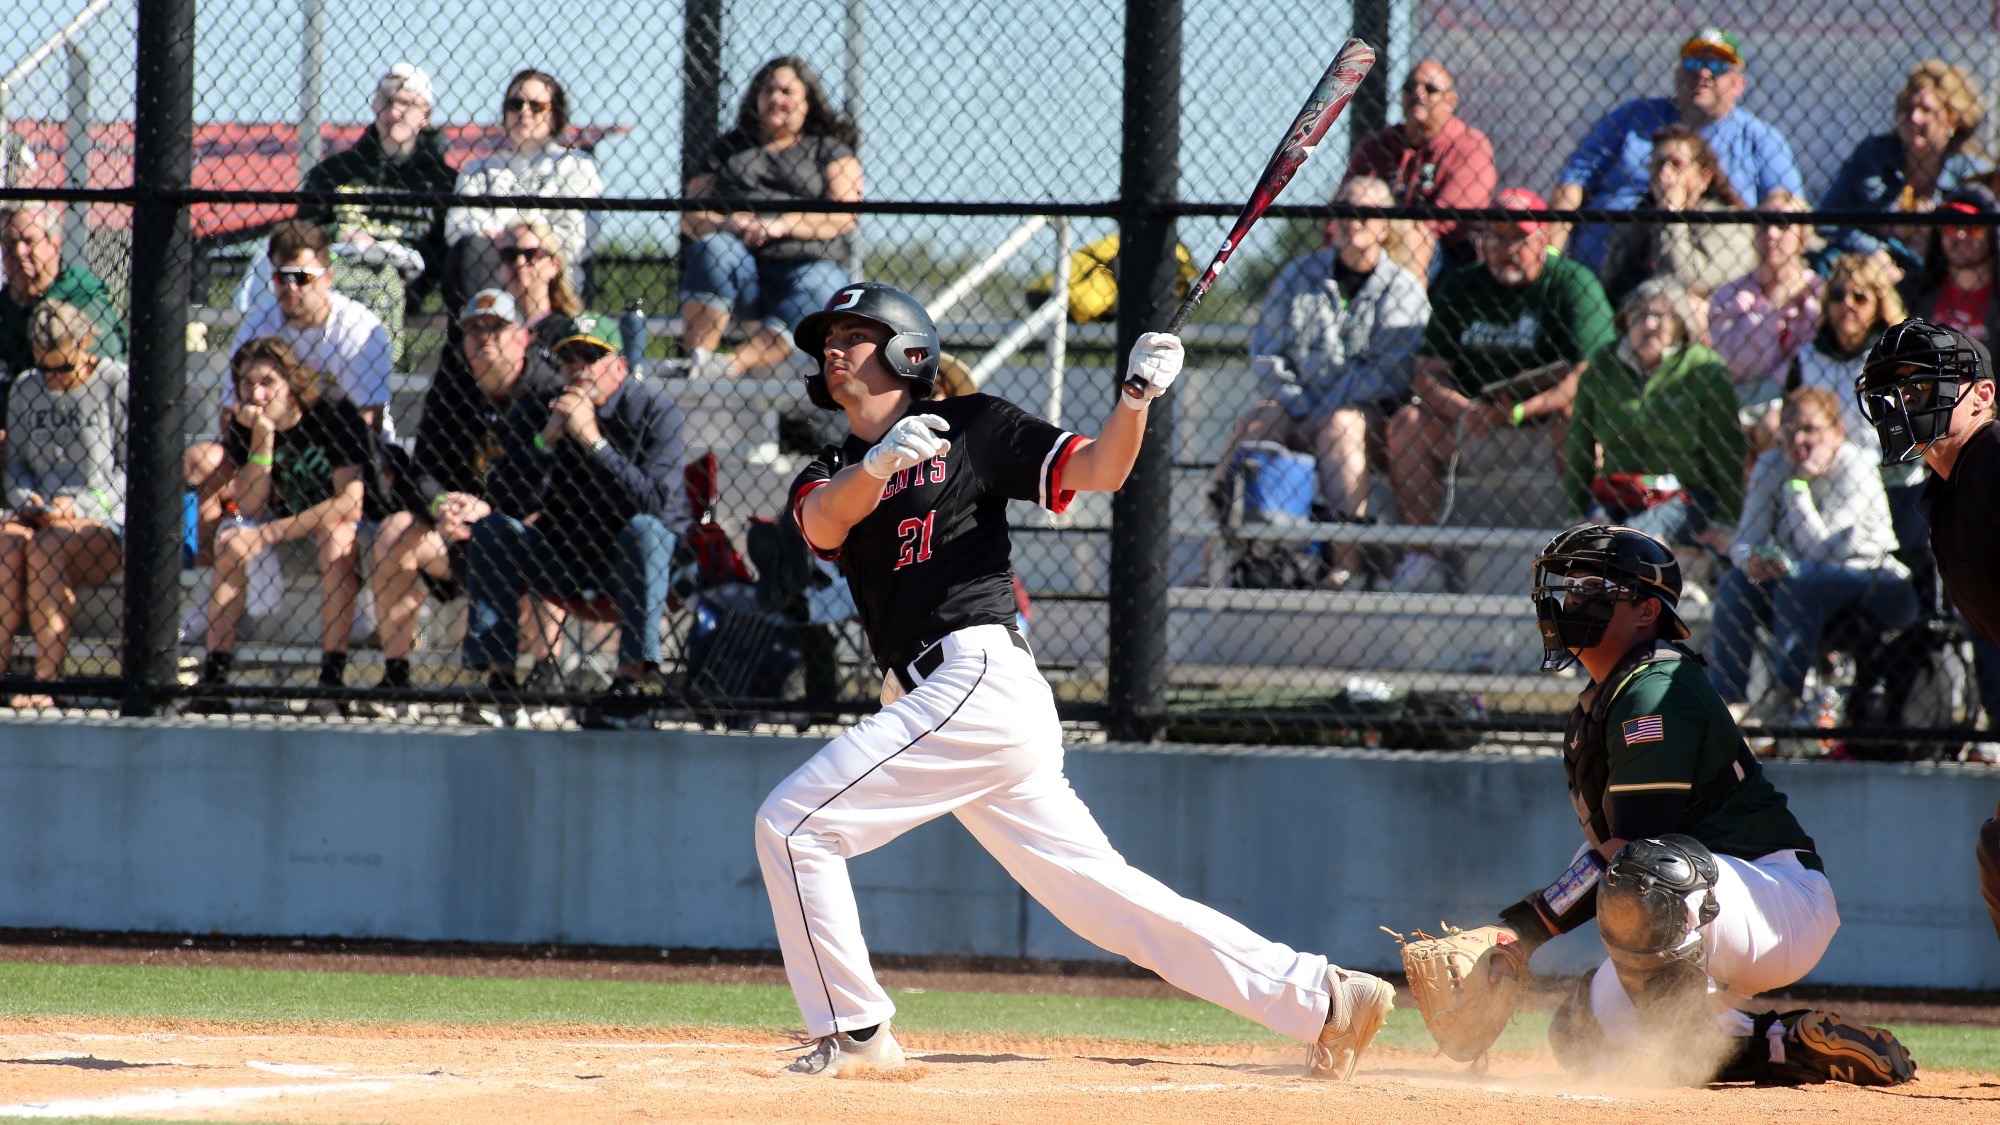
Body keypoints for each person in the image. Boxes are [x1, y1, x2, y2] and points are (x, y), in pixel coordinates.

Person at [756, 281, 1396, 1080]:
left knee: (793, 825)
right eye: (827, 337)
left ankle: (853, 1033)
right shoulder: (836, 463)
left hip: (975, 676)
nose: (833, 347)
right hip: (938, 698)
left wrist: (1135, 400)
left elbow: (1099, 468)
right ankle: (1324, 998)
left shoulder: (974, 425)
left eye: (854, 332)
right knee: (1104, 900)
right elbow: (822, 521)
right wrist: (881, 464)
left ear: (904, 347)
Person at [1480, 524, 1913, 1085]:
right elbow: (1610, 855)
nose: (1571, 599)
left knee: (1645, 873)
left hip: (1775, 896)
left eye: (1593, 588)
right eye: (1571, 586)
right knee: (1582, 1033)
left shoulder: (1657, 685)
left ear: (1644, 611)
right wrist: (1516, 936)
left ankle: (1705, 1035)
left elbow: (1634, 856)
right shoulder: (1609, 694)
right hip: (1706, 905)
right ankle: (1785, 1043)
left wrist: (1526, 934)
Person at [1387, 188, 1615, 592]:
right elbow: (1427, 371)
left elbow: (1587, 375)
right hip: (1477, 422)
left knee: (1579, 413)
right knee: (1408, 422)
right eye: (1494, 238)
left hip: (1545, 429)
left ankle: (1586, 558)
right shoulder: (1463, 285)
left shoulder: (1573, 283)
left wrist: (1520, 411)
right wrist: (1464, 410)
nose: (1504, 248)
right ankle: (1420, 561)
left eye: (1517, 238)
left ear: (1543, 238)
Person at [466, 314, 684, 731]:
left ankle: (629, 684)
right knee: (492, 530)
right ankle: (499, 681)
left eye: (592, 355)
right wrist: (545, 441)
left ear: (619, 365)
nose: (578, 366)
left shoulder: (656, 411)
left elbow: (654, 503)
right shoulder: (537, 410)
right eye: (569, 357)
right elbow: (506, 500)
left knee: (647, 531)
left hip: (633, 563)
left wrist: (593, 442)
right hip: (563, 555)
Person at [1854, 318, 2000, 940]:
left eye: (1922, 388)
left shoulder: (1993, 460)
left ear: (1983, 396)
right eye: (1896, 392)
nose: (1904, 405)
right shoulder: (1948, 488)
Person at [1210, 176, 1428, 583]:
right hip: (1300, 410)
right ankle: (1218, 563)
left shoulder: (1402, 288)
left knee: (1340, 426)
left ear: (1385, 226)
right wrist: (1301, 406)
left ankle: (1347, 567)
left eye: (1366, 213)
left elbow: (1389, 372)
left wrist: (1322, 412)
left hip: (1370, 421)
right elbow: (1267, 352)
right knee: (1257, 422)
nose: (1354, 220)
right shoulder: (1299, 275)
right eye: (1345, 210)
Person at [361, 289, 561, 715]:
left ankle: (543, 678)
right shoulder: (453, 381)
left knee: (551, 529)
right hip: (456, 531)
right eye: (474, 329)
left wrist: (489, 511)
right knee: (394, 531)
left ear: (522, 337)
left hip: (519, 532)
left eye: (497, 328)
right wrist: (441, 507)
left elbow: (555, 484)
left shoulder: (546, 389)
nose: (485, 337)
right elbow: (424, 469)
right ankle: (396, 679)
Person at [187, 337, 385, 714]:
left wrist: (268, 533)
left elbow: (350, 503)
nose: (256, 393)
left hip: (360, 528)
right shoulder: (250, 420)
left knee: (334, 537)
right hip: (290, 524)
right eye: (247, 384)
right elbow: (250, 504)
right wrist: (263, 439)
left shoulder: (332, 409)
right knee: (230, 542)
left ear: (292, 383)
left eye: (267, 382)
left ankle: (331, 682)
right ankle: (214, 679)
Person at [1708, 388, 1915, 727]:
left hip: (1870, 580)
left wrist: (1797, 487)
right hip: (1799, 581)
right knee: (1735, 582)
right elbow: (1744, 539)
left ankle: (1785, 698)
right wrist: (1752, 562)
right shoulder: (1771, 463)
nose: (1799, 440)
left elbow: (1825, 549)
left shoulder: (1855, 465)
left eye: (1810, 430)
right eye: (1790, 430)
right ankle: (1728, 700)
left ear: (1837, 432)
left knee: (1797, 578)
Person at [1552, 28, 1802, 273]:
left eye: (1717, 67)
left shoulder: (1761, 139)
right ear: (1677, 74)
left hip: (1707, 280)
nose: (1703, 73)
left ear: (1738, 83)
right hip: (1603, 268)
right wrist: (1551, 257)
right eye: (1693, 63)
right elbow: (1573, 182)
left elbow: (1788, 210)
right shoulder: (1632, 118)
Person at [679, 56, 861, 378]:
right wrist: (726, 223)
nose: (777, 99)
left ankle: (728, 366)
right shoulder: (728, 148)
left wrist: (781, 225)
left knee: (823, 285)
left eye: (788, 91)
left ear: (808, 102)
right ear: (756, 98)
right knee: (715, 249)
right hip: (743, 270)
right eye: (768, 91)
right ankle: (697, 360)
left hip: (806, 266)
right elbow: (690, 215)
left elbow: (845, 214)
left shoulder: (830, 149)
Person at [0, 302, 125, 708]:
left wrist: (81, 504)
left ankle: (46, 683)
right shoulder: (25, 387)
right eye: (45, 369)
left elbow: (131, 471)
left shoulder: (115, 382)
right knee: (6, 546)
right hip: (38, 513)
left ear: (85, 344)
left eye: (64, 370)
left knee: (46, 548)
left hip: (100, 520)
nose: (52, 380)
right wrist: (25, 499)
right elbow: (16, 464)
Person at [299, 62, 457, 367]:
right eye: (387, 101)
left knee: (383, 284)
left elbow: (444, 248)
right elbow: (302, 228)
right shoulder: (335, 171)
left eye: (407, 103)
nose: (395, 111)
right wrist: (338, 233)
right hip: (335, 274)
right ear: (374, 105)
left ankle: (378, 380)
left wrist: (418, 280)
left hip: (403, 283)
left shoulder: (443, 182)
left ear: (425, 114)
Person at [1564, 279, 1743, 547]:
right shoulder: (1604, 363)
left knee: (1633, 539)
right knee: (1584, 538)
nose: (1648, 325)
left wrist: (1727, 519)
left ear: (1681, 324)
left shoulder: (1704, 369)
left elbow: (1726, 448)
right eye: (1639, 315)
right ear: (1625, 321)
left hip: (1682, 494)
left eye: (1659, 316)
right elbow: (1579, 442)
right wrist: (1577, 510)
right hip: (1618, 491)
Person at [1788, 254, 1929, 584]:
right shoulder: (1807, 358)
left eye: (1859, 296)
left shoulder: (1898, 357)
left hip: (1894, 481)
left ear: (1878, 302)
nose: (1847, 305)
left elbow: (1917, 429)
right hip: (1829, 484)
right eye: (1837, 296)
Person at [1820, 60, 1992, 281]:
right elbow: (1829, 219)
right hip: (1872, 277)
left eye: (1926, 110)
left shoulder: (1973, 174)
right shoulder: (1874, 155)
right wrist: (1876, 253)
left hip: (1939, 280)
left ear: (1952, 119)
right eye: (1907, 108)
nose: (1914, 118)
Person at [445, 69, 603, 301]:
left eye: (537, 106)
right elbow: (456, 226)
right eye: (515, 104)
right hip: (488, 275)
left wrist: (510, 239)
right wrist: (532, 232)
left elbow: (577, 238)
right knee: (473, 250)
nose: (524, 112)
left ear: (556, 114)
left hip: (551, 285)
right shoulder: (478, 168)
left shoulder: (576, 165)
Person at [225, 219, 393, 434]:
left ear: (328, 278)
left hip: (346, 445)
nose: (290, 287)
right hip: (275, 443)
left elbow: (369, 419)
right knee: (203, 459)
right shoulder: (257, 326)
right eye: (281, 277)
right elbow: (229, 410)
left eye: (302, 277)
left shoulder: (359, 327)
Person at [1346, 58, 1497, 278]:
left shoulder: (1470, 145)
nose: (1418, 94)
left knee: (1415, 241)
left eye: (1430, 89)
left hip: (1443, 256)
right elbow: (1339, 211)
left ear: (1451, 101)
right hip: (1371, 244)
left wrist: (1395, 236)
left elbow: (1449, 221)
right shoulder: (1375, 147)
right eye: (1409, 87)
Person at [1596, 126, 1758, 308]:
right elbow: (1610, 278)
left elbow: (1685, 280)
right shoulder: (1641, 217)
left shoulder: (1729, 223)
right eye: (1658, 164)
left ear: (1704, 178)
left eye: (1676, 164)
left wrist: (1670, 213)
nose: (1665, 173)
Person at [1708, 190, 1822, 432]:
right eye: (1762, 225)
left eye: (1782, 225)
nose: (1770, 234)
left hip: (1796, 402)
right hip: (1734, 399)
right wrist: (1771, 310)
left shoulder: (1820, 294)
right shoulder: (1728, 295)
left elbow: (1807, 366)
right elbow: (1740, 362)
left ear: (1803, 238)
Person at [0, 204, 128, 419]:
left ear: (55, 244)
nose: (20, 252)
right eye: (10, 243)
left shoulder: (82, 302)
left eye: (30, 241)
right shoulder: (4, 309)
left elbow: (106, 384)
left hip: (73, 423)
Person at [1908, 183, 2000, 343]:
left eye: (1973, 227)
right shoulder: (1913, 290)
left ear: (1992, 236)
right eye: (1951, 226)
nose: (1960, 235)